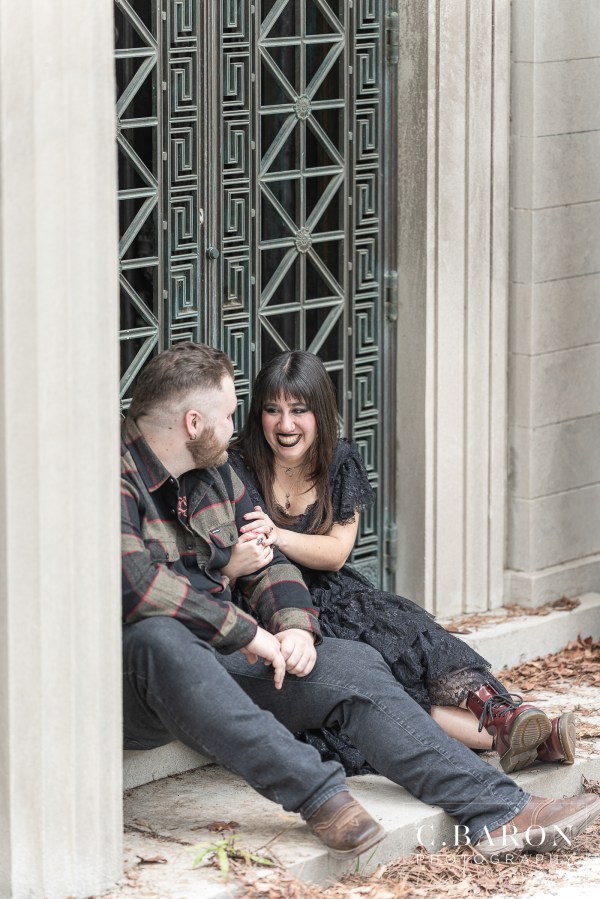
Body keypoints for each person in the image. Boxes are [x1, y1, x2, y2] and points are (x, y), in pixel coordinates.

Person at [121, 341, 600, 865]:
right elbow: (137, 583)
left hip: (225, 659)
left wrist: (294, 625)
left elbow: (268, 556)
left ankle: (497, 811)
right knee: (158, 637)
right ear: (194, 423)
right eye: (231, 415)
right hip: (139, 680)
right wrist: (249, 632)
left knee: (351, 662)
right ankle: (321, 796)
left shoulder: (215, 470)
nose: (238, 427)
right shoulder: (111, 476)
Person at [229, 350, 576, 778]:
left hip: (338, 592)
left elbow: (337, 552)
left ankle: (504, 717)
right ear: (258, 414)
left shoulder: (339, 460)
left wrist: (279, 534)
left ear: (320, 412)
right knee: (390, 691)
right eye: (273, 410)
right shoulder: (238, 465)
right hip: (278, 607)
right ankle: (535, 737)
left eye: (299, 410)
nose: (285, 425)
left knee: (416, 637)